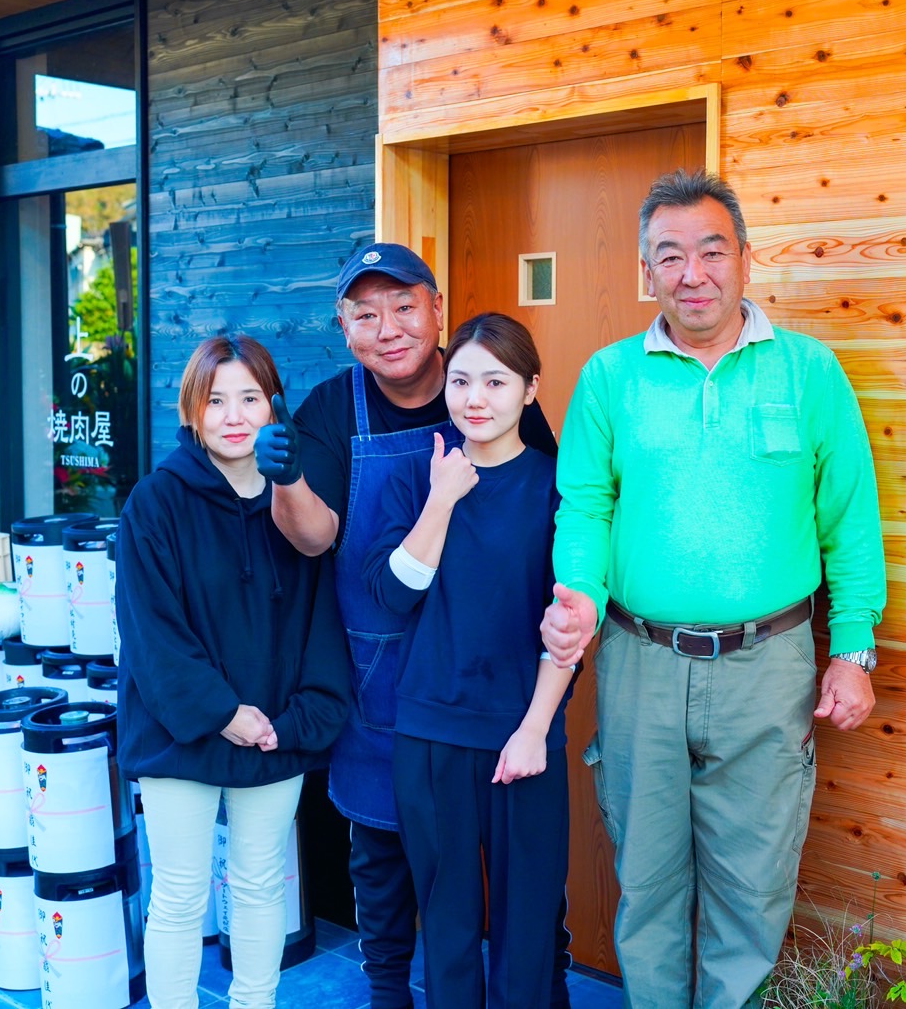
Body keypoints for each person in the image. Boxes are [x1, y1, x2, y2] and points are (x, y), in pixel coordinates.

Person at [542, 170, 888, 1007]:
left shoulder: (808, 372)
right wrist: (577, 594)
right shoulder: (609, 378)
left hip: (768, 668)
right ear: (646, 272)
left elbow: (850, 520)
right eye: (670, 256)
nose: (692, 274)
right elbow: (585, 506)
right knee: (647, 884)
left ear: (744, 258)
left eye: (711, 251)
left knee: (753, 889)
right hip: (639, 661)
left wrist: (854, 648)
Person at [253, 244, 568, 1009]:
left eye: (403, 306)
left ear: (436, 308)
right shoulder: (335, 411)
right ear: (344, 327)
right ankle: (389, 995)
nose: (387, 328)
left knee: (526, 894)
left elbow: (555, 552)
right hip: (381, 678)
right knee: (390, 862)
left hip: (503, 686)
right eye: (365, 314)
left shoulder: (499, 403)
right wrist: (285, 479)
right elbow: (318, 538)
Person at [116, 334, 351, 1009]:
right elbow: (151, 631)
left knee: (258, 885)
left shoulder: (296, 504)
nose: (233, 416)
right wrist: (222, 713)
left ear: (275, 406)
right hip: (181, 729)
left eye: (250, 398)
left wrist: (297, 719)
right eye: (215, 400)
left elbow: (320, 620)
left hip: (275, 727)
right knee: (181, 894)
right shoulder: (155, 502)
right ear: (192, 410)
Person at [364, 312, 573, 1007]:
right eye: (460, 381)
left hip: (526, 737)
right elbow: (395, 594)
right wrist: (443, 498)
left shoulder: (557, 488)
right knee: (448, 930)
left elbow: (568, 625)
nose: (474, 398)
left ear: (530, 389)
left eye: (495, 382)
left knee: (528, 930)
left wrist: (535, 730)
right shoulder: (418, 476)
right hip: (430, 736)